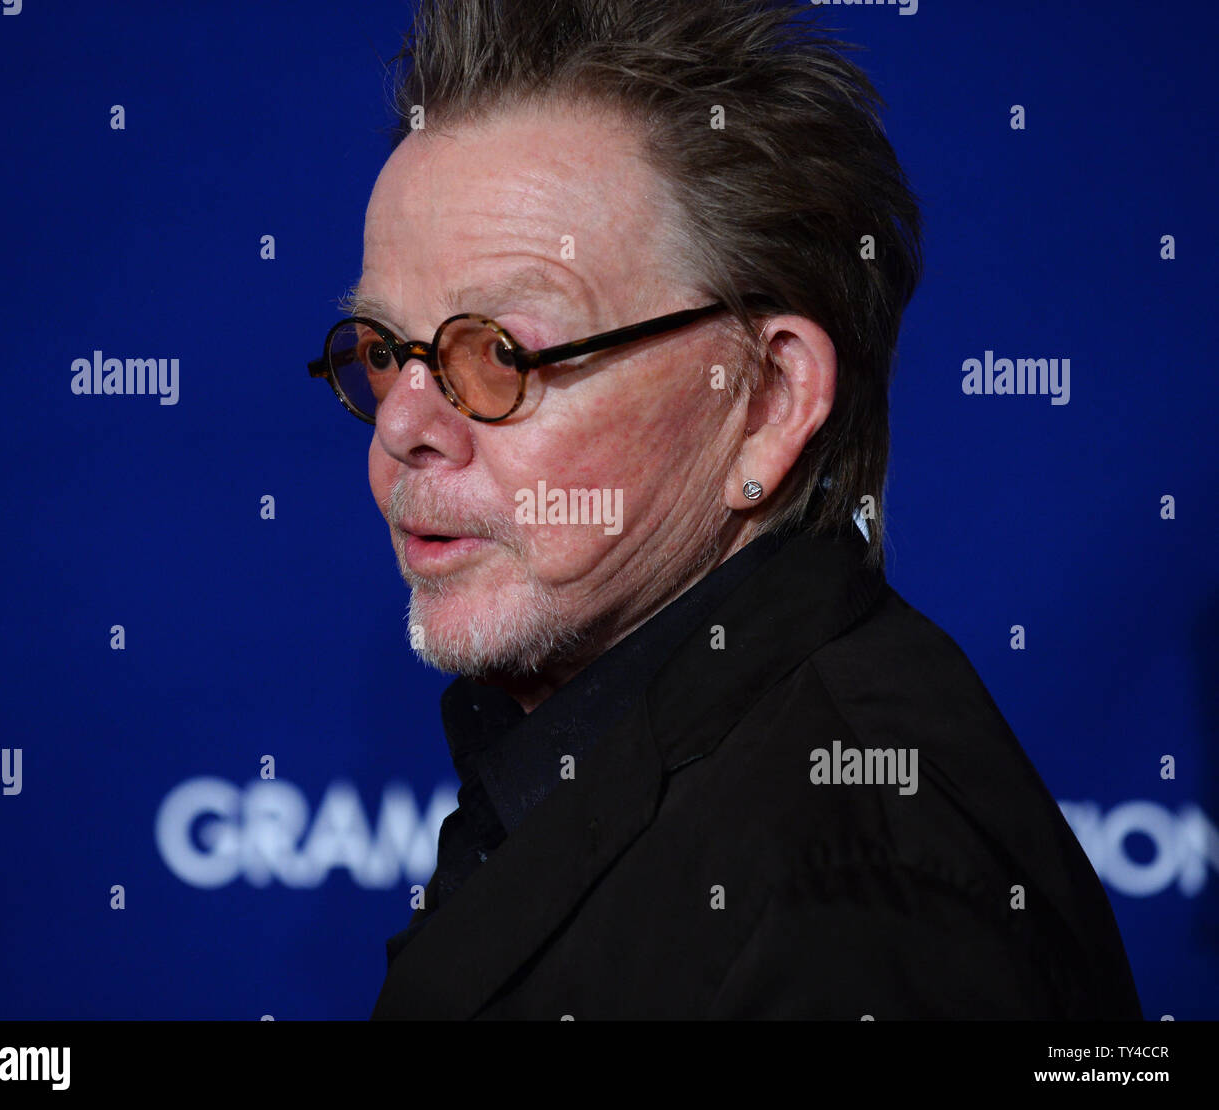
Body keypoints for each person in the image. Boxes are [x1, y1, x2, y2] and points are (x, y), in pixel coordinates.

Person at [308, 0, 1142, 1019]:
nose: (401, 426)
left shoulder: (867, 899)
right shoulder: (615, 751)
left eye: (501, 355)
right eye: (387, 352)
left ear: (766, 401)